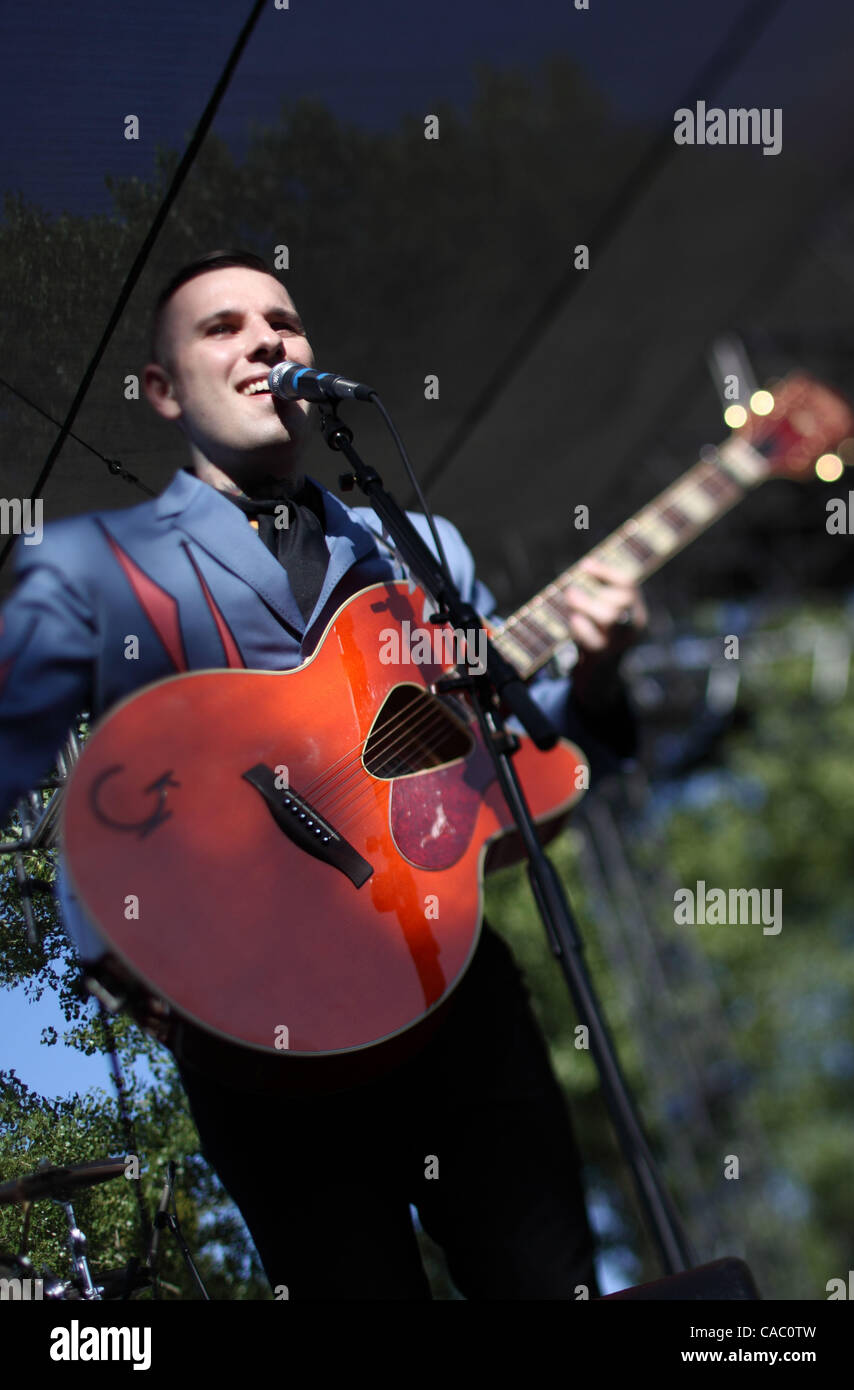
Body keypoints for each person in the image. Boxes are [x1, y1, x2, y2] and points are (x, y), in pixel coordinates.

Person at [0, 250, 647, 1300]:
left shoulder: (417, 552)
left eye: (284, 321)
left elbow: (527, 770)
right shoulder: (104, 567)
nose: (265, 339)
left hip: (448, 984)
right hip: (257, 1028)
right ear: (162, 390)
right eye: (222, 326)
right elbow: (89, 795)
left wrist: (602, 666)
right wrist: (122, 955)